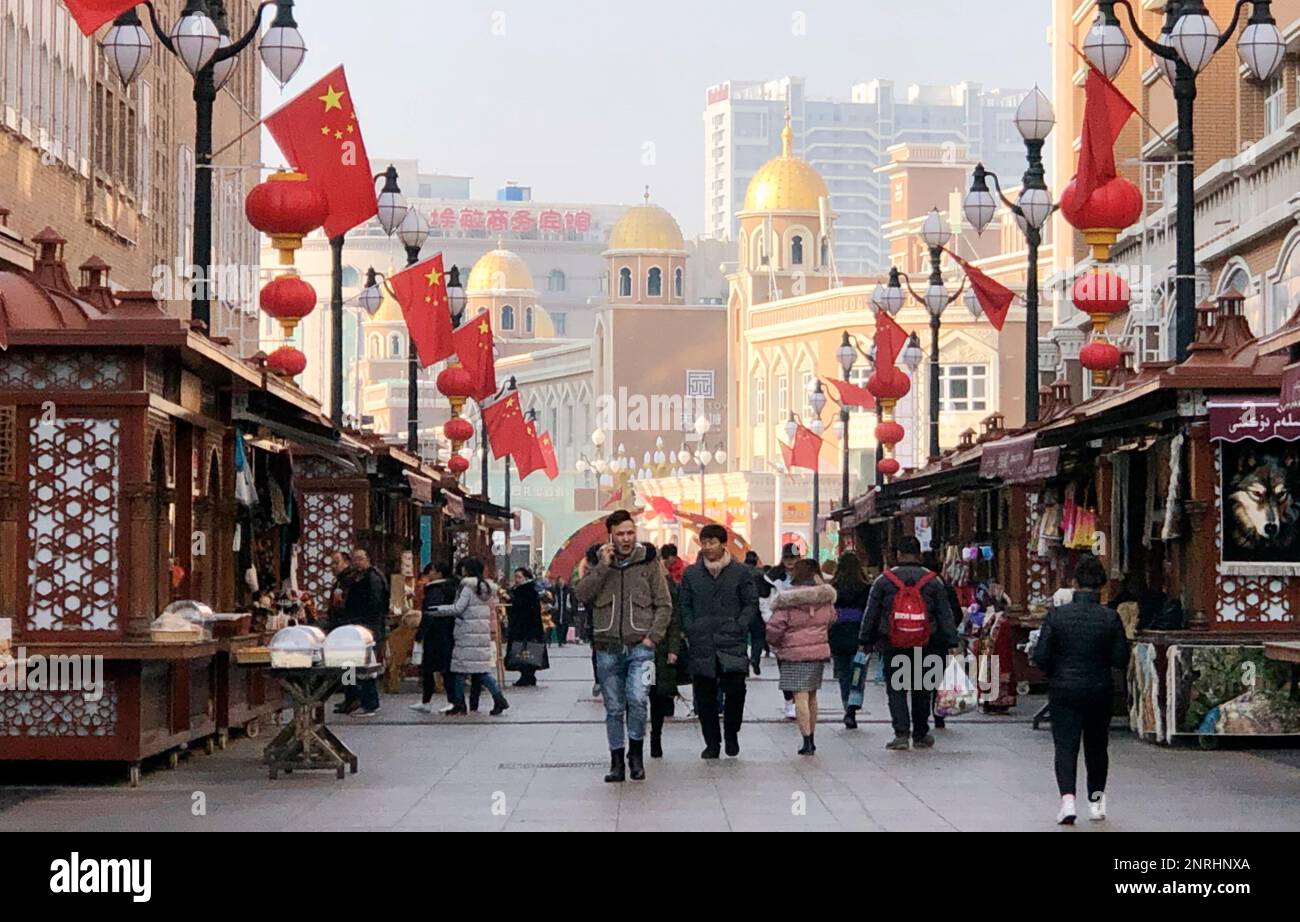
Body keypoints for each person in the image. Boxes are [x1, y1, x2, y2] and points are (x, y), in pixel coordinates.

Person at [574, 510, 672, 783]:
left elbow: (664, 603)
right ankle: (616, 759)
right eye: (620, 534)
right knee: (615, 707)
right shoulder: (597, 560)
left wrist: (653, 637)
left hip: (642, 648)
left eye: (630, 533)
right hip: (607, 647)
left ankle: (636, 756)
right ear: (611, 536)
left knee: (639, 701)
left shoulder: (649, 561)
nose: (626, 539)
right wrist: (603, 566)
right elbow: (582, 594)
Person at [1032, 553, 1129, 825]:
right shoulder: (1110, 618)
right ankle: (1096, 804)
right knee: (1097, 747)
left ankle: (1068, 801)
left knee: (1065, 746)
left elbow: (1040, 656)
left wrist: (1054, 672)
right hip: (1099, 689)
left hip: (1063, 689)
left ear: (1073, 582)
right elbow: (1121, 659)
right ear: (1101, 584)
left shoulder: (1057, 616)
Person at [859, 536, 958, 750]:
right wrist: (952, 641)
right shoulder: (933, 581)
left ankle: (901, 734)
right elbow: (944, 613)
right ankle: (921, 734)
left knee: (896, 688)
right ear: (919, 554)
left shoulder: (884, 581)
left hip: (893, 644)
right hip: (927, 642)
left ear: (898, 555)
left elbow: (872, 612)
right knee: (922, 688)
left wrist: (866, 640)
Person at [681, 524, 759, 760]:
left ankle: (732, 733)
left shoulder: (741, 572)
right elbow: (684, 604)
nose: (707, 547)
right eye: (704, 543)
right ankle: (712, 742)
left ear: (723, 544)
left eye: (712, 542)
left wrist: (740, 625)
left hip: (732, 640)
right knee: (704, 696)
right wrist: (691, 626)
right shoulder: (691, 574)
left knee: (736, 690)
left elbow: (750, 603)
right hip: (702, 641)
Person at [767, 559, 837, 755]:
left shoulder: (787, 600)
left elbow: (775, 628)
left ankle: (806, 740)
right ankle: (812, 736)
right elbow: (832, 619)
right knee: (812, 695)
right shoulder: (825, 598)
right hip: (817, 652)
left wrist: (775, 643)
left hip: (793, 653)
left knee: (800, 696)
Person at [425, 557, 510, 716]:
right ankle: (498, 698)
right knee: (481, 671)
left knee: (458, 670)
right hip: (480, 634)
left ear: (467, 570)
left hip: (466, 633)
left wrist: (438, 610)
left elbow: (458, 608)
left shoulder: (467, 588)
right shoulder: (486, 588)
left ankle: (459, 704)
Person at [335, 548, 388, 717]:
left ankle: (369, 702)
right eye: (355, 559)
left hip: (366, 629)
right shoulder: (354, 578)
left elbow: (375, 604)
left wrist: (366, 626)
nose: (357, 562)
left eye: (360, 559)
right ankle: (351, 697)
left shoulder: (373, 578)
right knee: (348, 664)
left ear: (368, 560)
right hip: (351, 627)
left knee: (366, 666)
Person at [650, 550, 692, 759]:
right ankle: (638, 738)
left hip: (661, 648)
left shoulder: (667, 584)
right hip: (640, 649)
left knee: (658, 695)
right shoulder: (632, 584)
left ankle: (655, 736)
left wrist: (674, 649)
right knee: (639, 696)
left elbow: (674, 619)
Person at [830, 552, 871, 729]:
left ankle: (847, 705)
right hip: (859, 636)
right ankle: (853, 707)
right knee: (857, 673)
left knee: (843, 674)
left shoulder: (833, 587)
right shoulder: (866, 588)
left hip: (837, 636)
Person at [411, 560, 457, 714]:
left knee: (435, 668)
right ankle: (430, 700)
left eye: (431, 570)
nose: (428, 574)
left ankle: (447, 700)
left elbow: (430, 613)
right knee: (436, 668)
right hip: (446, 632)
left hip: (436, 634)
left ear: (438, 573)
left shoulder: (436, 590)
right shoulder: (449, 588)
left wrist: (421, 632)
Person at [508, 568, 546, 687]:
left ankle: (527, 676)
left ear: (526, 577)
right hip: (528, 626)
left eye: (519, 577)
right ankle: (528, 676)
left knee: (525, 651)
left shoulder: (525, 590)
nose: (517, 580)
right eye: (516, 577)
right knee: (527, 651)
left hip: (526, 626)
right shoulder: (525, 590)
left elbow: (521, 608)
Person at [743, 551, 767, 674]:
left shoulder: (739, 573)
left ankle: (744, 663)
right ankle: (755, 659)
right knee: (758, 637)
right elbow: (765, 593)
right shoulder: (761, 574)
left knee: (741, 638)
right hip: (757, 610)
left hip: (742, 610)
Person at [551, 577, 576, 647]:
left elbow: (573, 600)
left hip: (566, 610)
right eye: (559, 580)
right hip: (557, 610)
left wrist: (573, 608)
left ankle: (563, 639)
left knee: (566, 625)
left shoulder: (569, 590)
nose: (561, 582)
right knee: (558, 626)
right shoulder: (554, 590)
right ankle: (560, 641)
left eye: (562, 580)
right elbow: (551, 598)